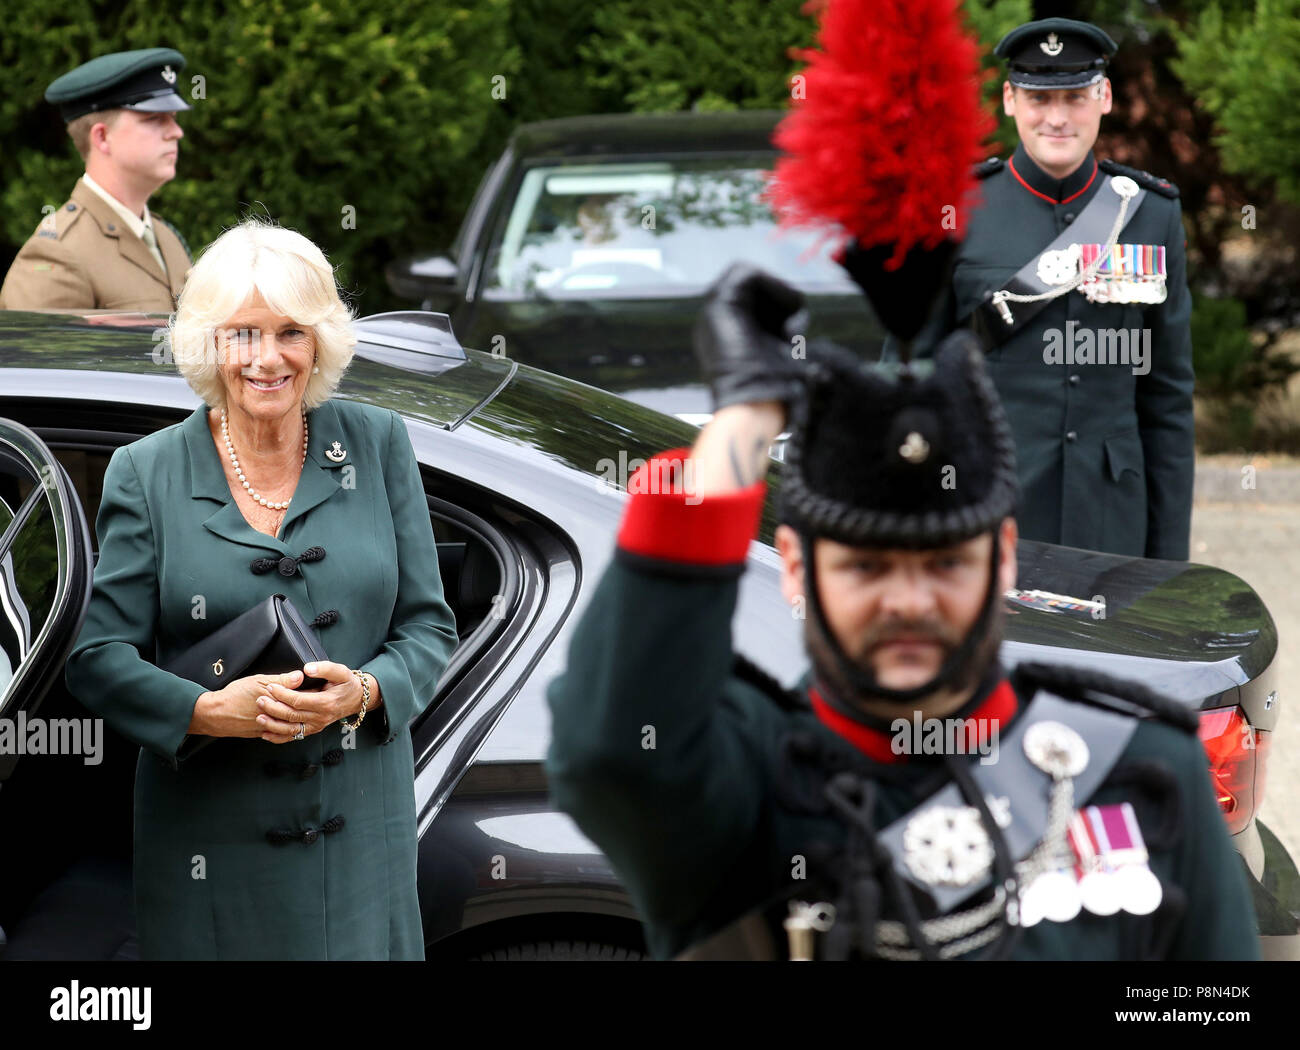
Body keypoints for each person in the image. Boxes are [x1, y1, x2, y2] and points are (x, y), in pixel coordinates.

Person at [544, 258, 1258, 960]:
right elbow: (611, 755)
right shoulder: (747, 782)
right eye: (865, 566)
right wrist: (743, 420)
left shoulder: (1138, 771)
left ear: (1002, 560)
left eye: (947, 563)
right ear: (795, 568)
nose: (910, 602)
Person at [64, 218, 459, 960]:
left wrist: (365, 692)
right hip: (210, 846)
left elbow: (429, 629)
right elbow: (97, 658)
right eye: (244, 333)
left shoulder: (377, 446)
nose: (268, 357)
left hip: (359, 840)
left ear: (321, 343)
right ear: (211, 344)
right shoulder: (146, 473)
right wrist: (209, 711)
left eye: (290, 332)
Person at [902, 18, 1195, 561]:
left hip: (1111, 524)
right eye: (1039, 98)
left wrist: (1168, 562)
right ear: (1010, 100)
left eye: (1076, 97)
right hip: (981, 516)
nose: (1057, 117)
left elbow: (1167, 401)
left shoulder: (1151, 214)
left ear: (1104, 97)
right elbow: (912, 385)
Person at [0, 47, 192, 313]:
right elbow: (34, 354)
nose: (176, 132)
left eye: (173, 118)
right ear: (101, 137)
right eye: (154, 119)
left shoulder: (167, 239)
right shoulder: (57, 254)